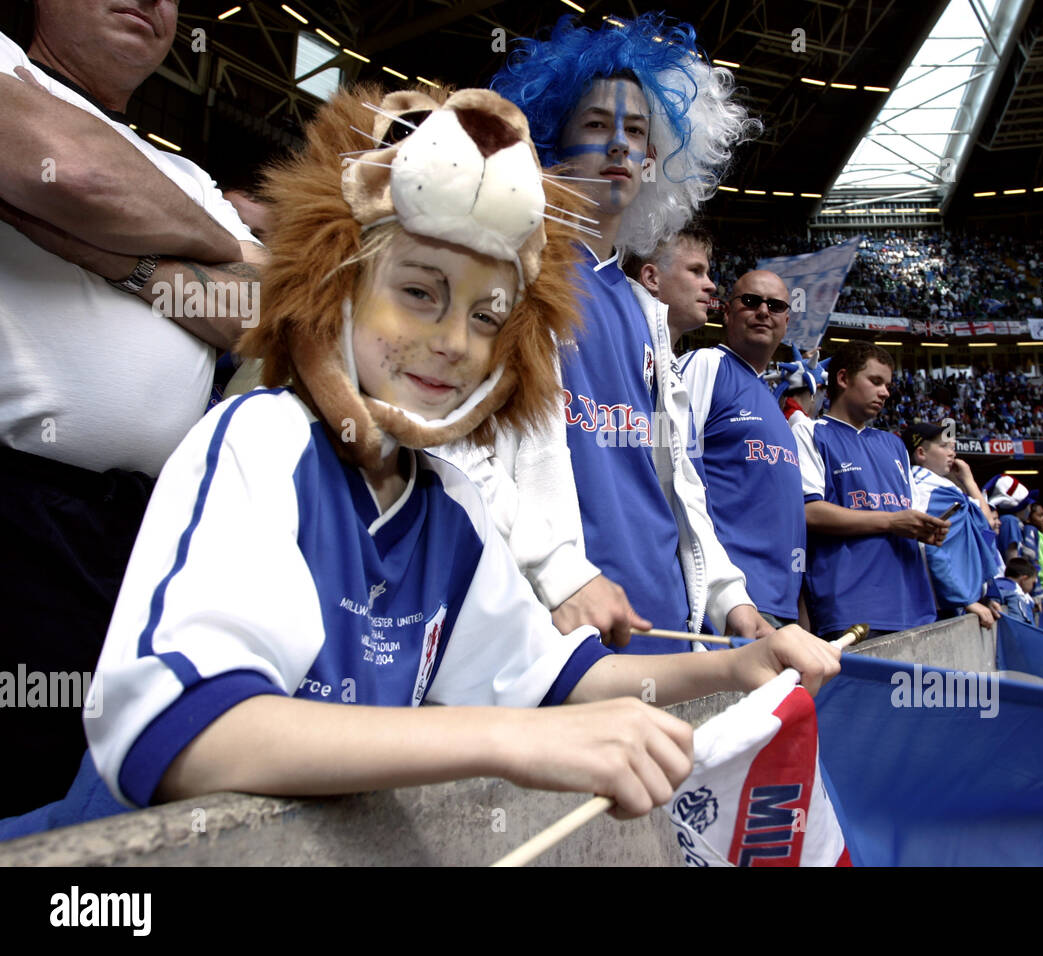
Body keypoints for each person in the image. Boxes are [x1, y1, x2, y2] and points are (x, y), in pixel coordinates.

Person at [0, 85, 839, 840]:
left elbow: (559, 679)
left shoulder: (451, 506)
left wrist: (738, 665)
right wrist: (513, 741)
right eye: (418, 292)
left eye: (486, 316)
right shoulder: (259, 439)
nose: (451, 343)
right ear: (339, 283)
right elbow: (180, 728)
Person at [0, 0, 264, 816]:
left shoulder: (186, 179)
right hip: (17, 512)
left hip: (143, 536)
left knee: (93, 775)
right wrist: (207, 253)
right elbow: (70, 171)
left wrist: (119, 256)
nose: (153, 2)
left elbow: (266, 308)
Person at [491, 14, 770, 652]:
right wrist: (559, 575)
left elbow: (676, 475)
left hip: (671, 627)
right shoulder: (510, 272)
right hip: (562, 632)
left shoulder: (646, 311)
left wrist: (729, 595)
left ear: (654, 159)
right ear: (552, 143)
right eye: (595, 125)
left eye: (637, 132)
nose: (620, 145)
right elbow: (468, 454)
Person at [794, 343, 949, 640]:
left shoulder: (894, 445)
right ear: (843, 379)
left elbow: (907, 514)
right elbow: (808, 512)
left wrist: (922, 528)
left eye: (888, 385)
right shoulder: (809, 432)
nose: (885, 393)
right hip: (850, 609)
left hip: (914, 604)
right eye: (875, 381)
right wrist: (891, 522)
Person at [679, 270, 805, 627]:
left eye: (775, 305)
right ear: (727, 312)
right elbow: (668, 468)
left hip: (778, 607)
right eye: (751, 301)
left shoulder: (770, 400)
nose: (763, 311)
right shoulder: (705, 365)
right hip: (726, 601)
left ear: (786, 320)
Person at [904, 422, 1002, 629]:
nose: (953, 453)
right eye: (944, 446)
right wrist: (964, 601)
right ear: (921, 452)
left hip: (955, 600)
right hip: (939, 607)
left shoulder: (942, 487)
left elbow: (985, 523)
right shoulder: (922, 489)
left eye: (953, 447)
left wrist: (968, 481)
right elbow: (926, 548)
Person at [622, 224, 716, 347]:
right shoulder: (614, 345)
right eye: (695, 270)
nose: (711, 286)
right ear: (652, 278)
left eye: (707, 274)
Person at [994, 557, 1039, 624]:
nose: (1033, 587)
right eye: (1033, 583)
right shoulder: (1006, 586)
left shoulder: (1021, 592)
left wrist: (1035, 607)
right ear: (1024, 579)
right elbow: (993, 595)